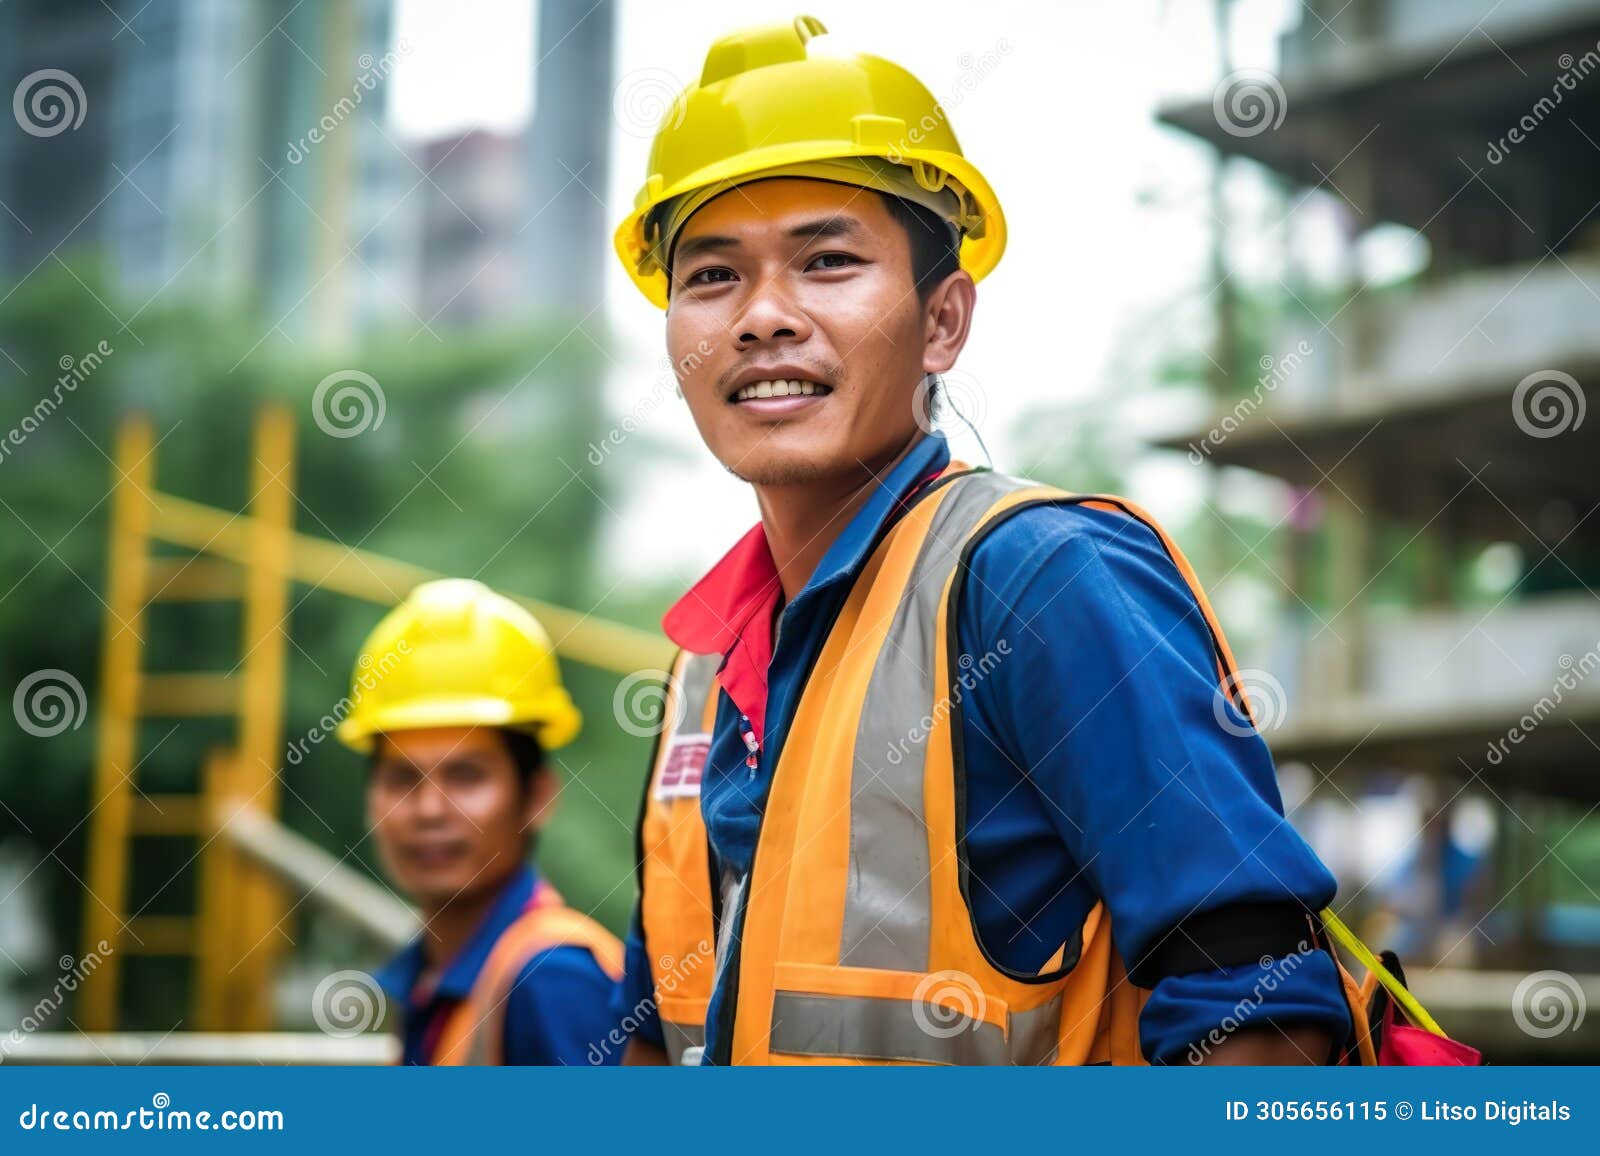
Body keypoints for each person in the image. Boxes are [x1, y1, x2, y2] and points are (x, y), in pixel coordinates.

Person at [610, 15, 1360, 1065]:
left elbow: (1264, 1016)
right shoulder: (703, 667)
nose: (763, 316)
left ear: (942, 321)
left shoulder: (1041, 581)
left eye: (826, 260)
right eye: (712, 275)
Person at [335, 578, 623, 1065]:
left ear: (536, 796)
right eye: (403, 778)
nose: (429, 810)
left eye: (466, 776)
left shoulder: (554, 982)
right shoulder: (432, 979)